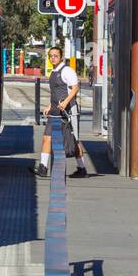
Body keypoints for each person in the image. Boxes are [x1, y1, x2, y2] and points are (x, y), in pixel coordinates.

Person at [32, 45, 93, 178]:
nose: (53, 58)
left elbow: (75, 88)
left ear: (61, 57)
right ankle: (43, 167)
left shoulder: (67, 71)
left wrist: (65, 102)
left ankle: (82, 169)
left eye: (55, 56)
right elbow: (56, 92)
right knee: (46, 138)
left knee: (74, 140)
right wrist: (50, 105)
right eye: (51, 56)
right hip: (55, 111)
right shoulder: (53, 72)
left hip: (69, 112)